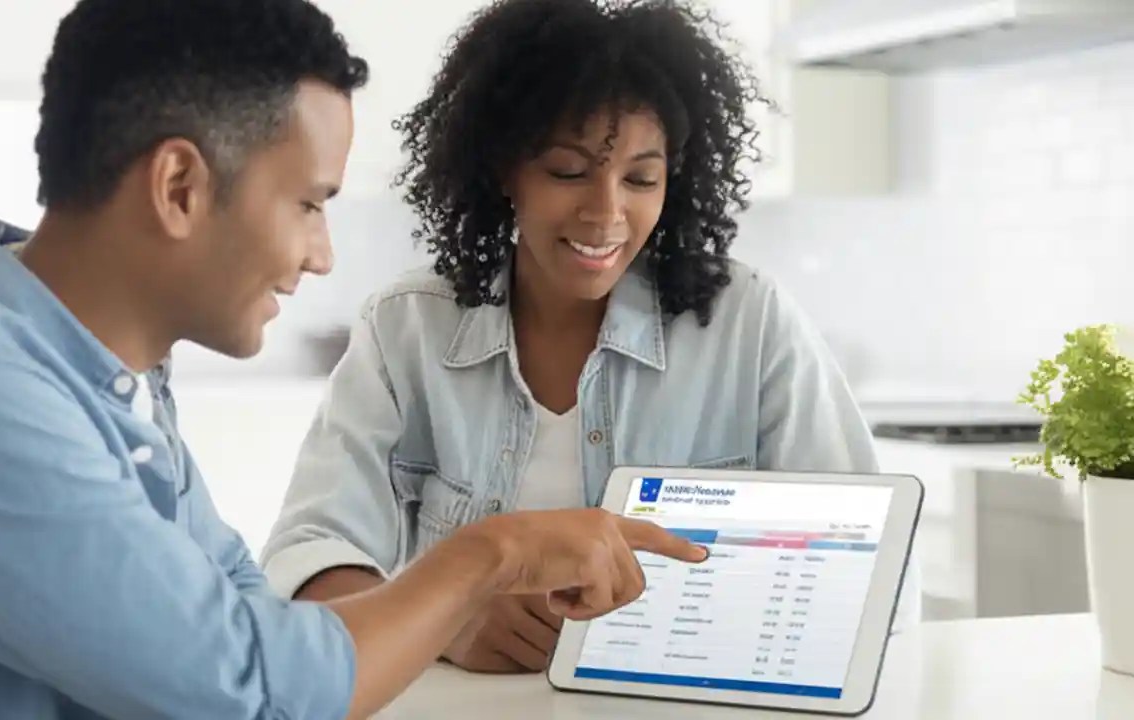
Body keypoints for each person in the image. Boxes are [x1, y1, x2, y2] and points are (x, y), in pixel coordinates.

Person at [0, 1, 711, 718]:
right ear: (180, 188)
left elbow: (252, 620)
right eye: (308, 203)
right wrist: (493, 556)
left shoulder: (96, 378)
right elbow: (249, 692)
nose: (322, 254)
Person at [262, 0, 919, 675]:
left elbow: (874, 576)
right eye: (568, 172)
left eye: (640, 178)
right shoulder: (408, 327)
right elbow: (309, 554)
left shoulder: (749, 324)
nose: (606, 213)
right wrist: (444, 619)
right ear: (504, 169)